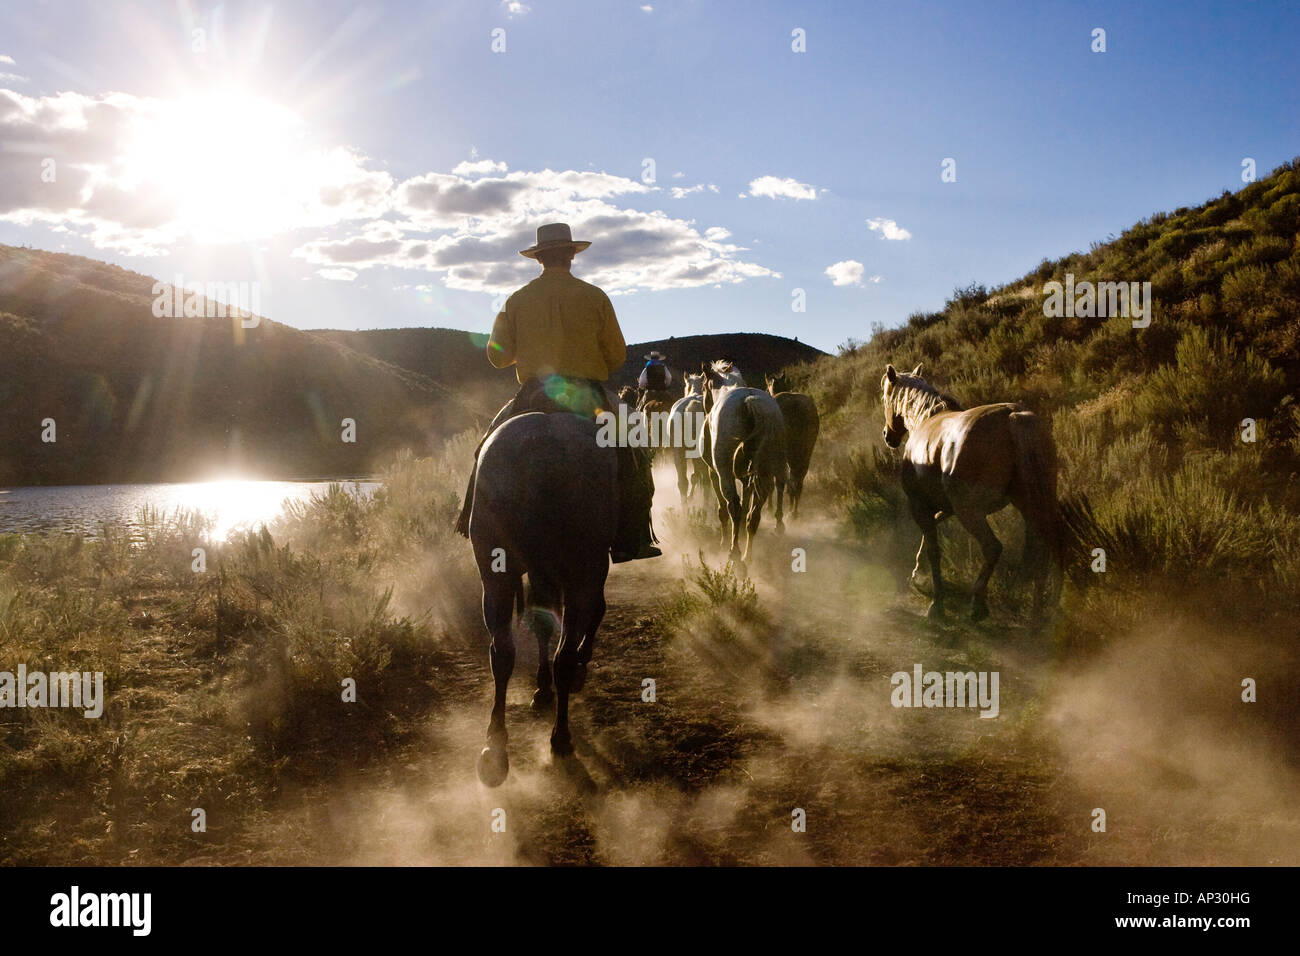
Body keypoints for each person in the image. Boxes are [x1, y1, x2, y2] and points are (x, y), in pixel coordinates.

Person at [454, 222, 661, 563]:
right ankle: (633, 536)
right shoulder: (595, 296)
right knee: (634, 450)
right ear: (570, 255)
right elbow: (617, 356)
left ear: (539, 259)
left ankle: (472, 520)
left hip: (534, 392)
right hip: (589, 394)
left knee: (485, 450)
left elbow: (497, 357)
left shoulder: (516, 300)